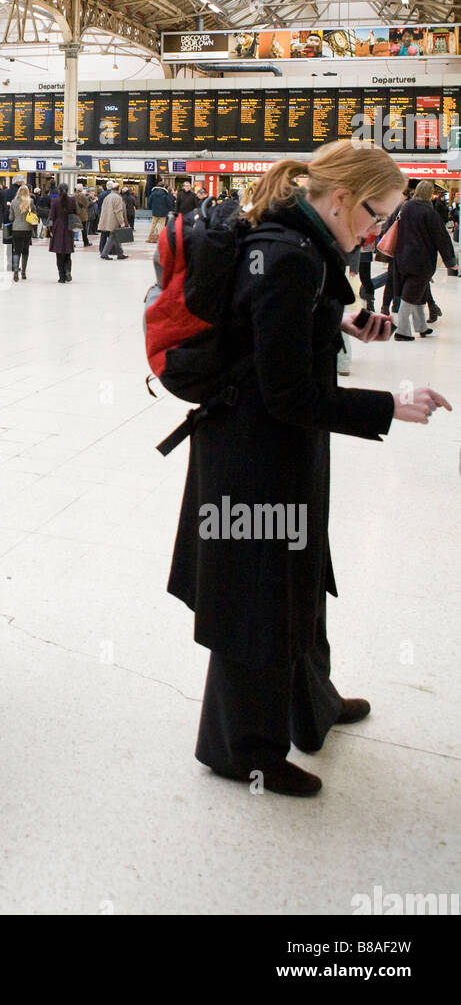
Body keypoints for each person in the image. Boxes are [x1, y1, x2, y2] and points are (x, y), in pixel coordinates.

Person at [168, 141, 452, 798]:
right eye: (376, 215)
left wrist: (344, 321)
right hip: (255, 456)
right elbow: (286, 393)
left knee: (294, 580)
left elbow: (270, 323)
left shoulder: (294, 241)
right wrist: (390, 405)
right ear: (339, 199)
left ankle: (307, 705)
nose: (377, 231)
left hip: (269, 449)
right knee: (256, 599)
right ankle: (241, 750)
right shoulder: (291, 257)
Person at [392, 180, 457, 340]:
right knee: (410, 295)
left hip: (402, 257)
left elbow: (390, 226)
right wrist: (451, 262)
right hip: (421, 260)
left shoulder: (405, 207)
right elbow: (442, 239)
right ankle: (402, 331)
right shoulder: (429, 213)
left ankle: (421, 326)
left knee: (417, 291)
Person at [49, 184, 75, 283]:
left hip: (58, 227)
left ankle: (62, 277)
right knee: (68, 253)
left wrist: (50, 230)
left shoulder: (55, 201)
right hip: (69, 227)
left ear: (58, 190)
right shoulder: (72, 200)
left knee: (59, 254)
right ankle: (68, 270)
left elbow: (52, 216)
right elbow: (75, 213)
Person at [9, 182, 35, 282]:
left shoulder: (13, 202)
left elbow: (11, 217)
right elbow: (33, 214)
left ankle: (16, 272)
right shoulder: (31, 202)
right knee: (25, 251)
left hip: (16, 229)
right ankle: (23, 273)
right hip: (27, 229)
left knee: (16, 251)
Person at [97, 181, 128, 260]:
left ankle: (120, 254)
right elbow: (118, 211)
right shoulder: (117, 198)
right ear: (118, 189)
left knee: (115, 237)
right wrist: (122, 222)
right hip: (114, 221)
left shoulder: (108, 197)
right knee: (112, 237)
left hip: (107, 220)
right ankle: (104, 254)